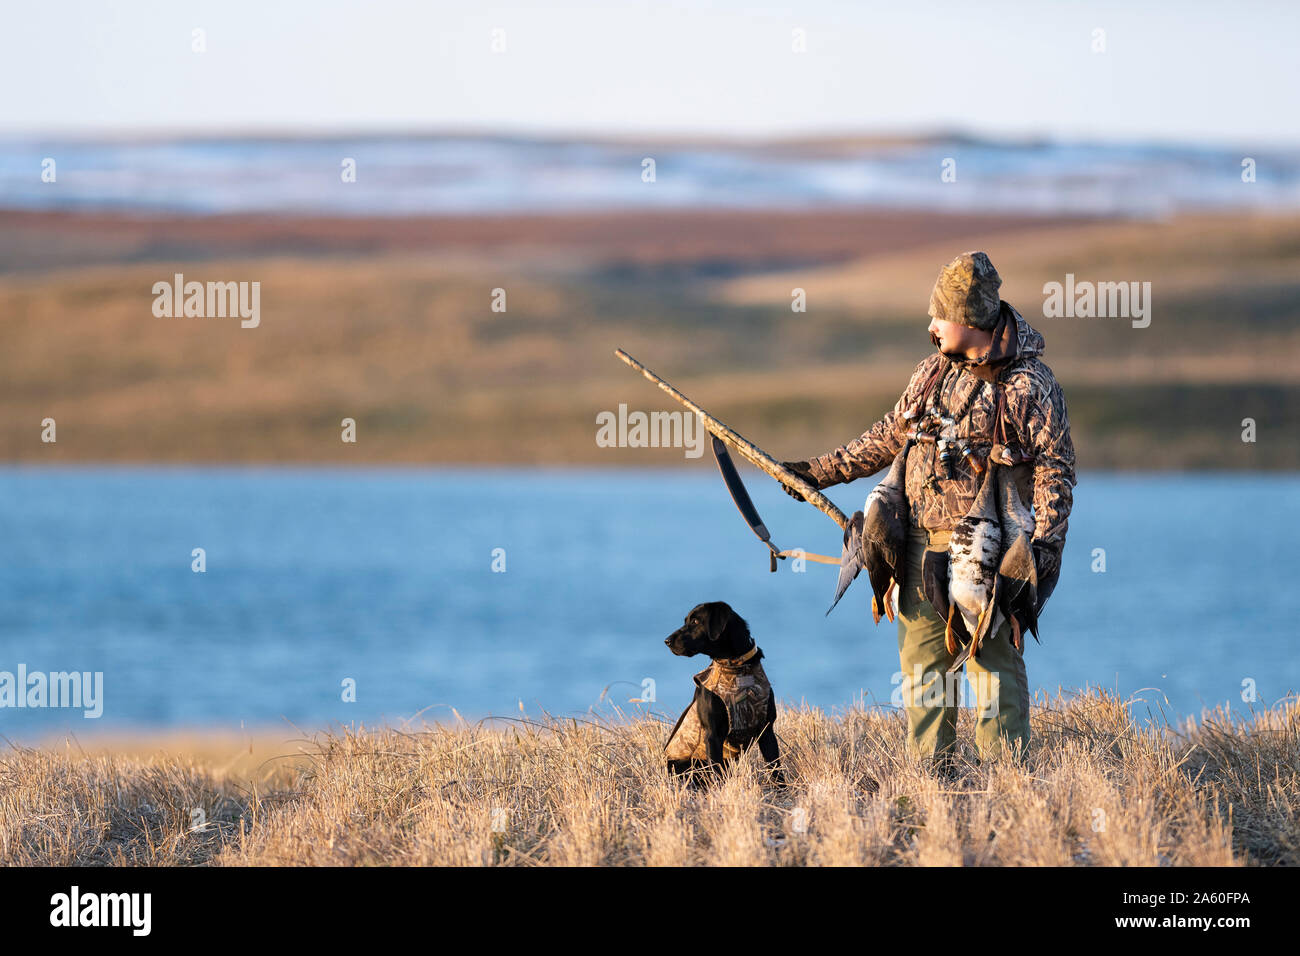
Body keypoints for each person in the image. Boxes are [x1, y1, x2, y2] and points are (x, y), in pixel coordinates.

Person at [783, 251, 1076, 770]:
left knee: (993, 677)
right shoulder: (931, 372)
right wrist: (815, 472)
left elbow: (1056, 474)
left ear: (966, 318)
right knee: (922, 676)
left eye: (939, 315)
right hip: (916, 547)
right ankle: (930, 788)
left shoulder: (1031, 386)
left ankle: (1005, 791)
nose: (930, 324)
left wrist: (1038, 561)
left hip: (989, 556)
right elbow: (888, 435)